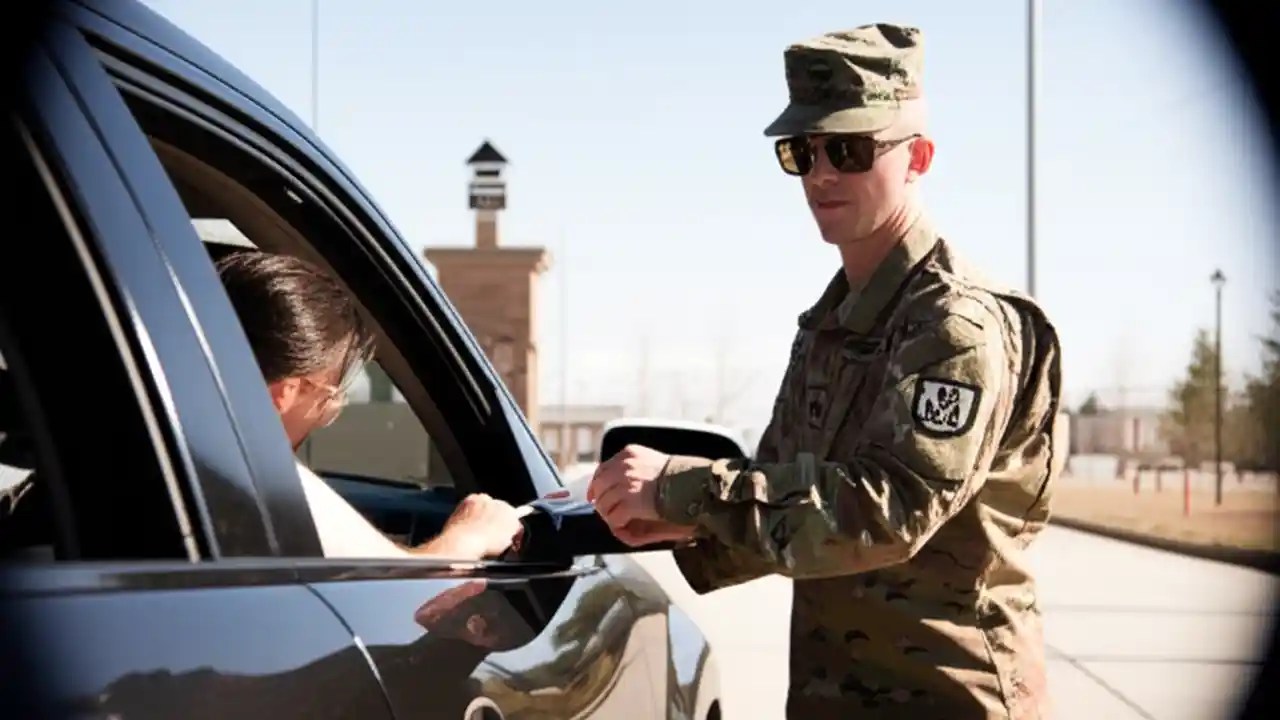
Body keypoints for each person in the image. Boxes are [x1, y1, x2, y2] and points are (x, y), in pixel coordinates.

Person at [587, 23, 1064, 719]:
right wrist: (666, 521)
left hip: (949, 699)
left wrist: (685, 490)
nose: (821, 174)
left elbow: (888, 510)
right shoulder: (830, 327)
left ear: (918, 157)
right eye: (802, 151)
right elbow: (785, 500)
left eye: (849, 149)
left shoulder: (956, 328)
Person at [215, 249, 524, 561]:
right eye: (330, 394)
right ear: (284, 394)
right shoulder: (266, 480)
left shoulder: (182, 454)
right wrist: (472, 533)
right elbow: (405, 582)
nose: (334, 409)